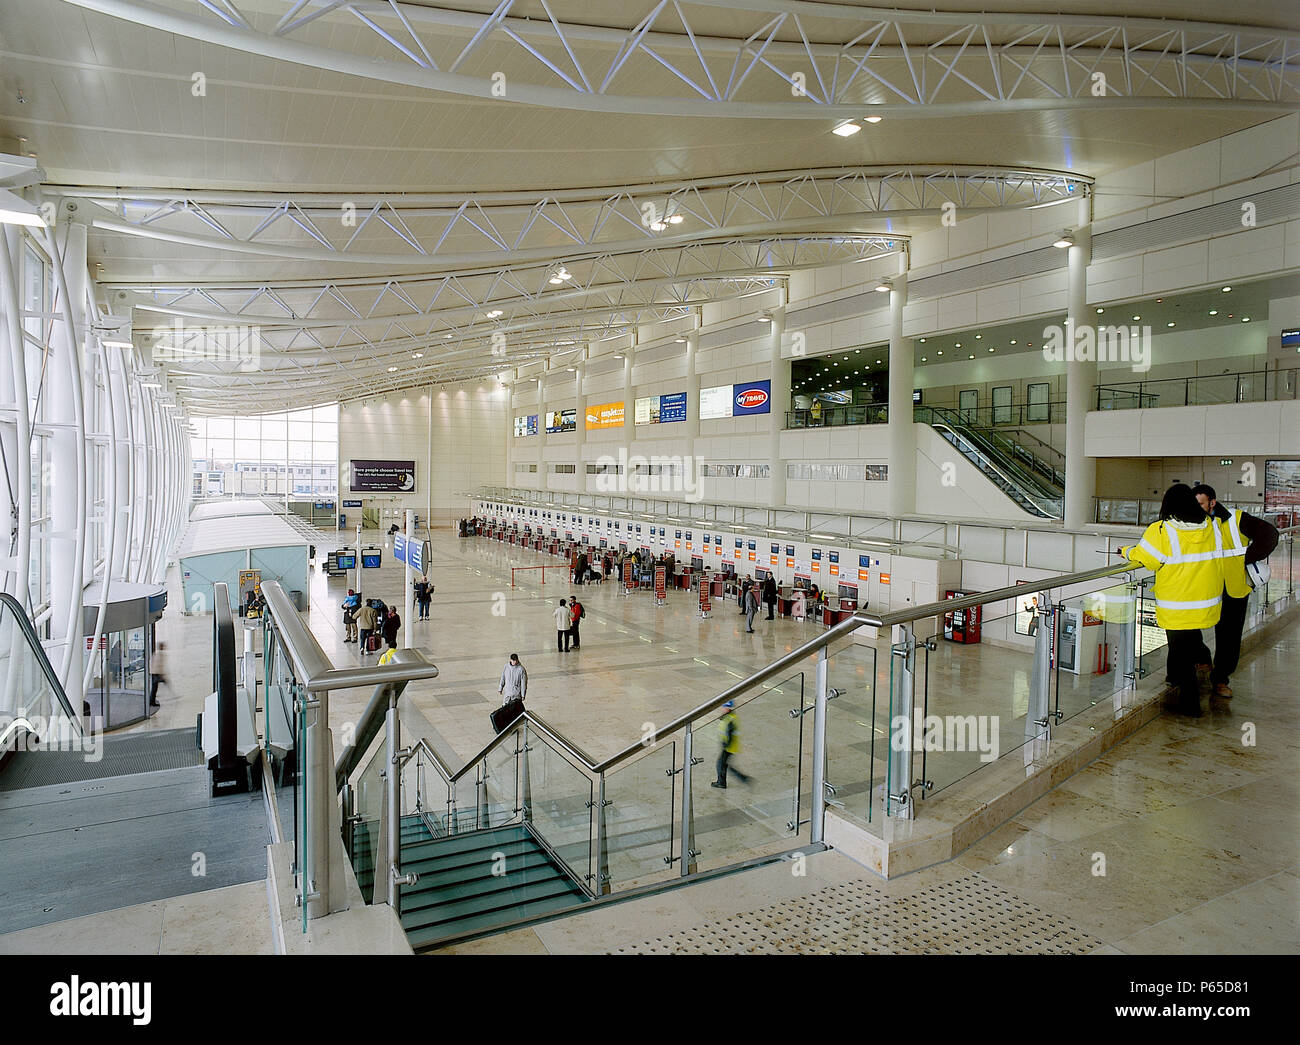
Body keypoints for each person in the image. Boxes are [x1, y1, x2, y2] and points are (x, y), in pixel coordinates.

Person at [1120, 484, 1224, 717]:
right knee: (1184, 646)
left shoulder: (1161, 531)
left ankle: (1190, 705)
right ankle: (1182, 675)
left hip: (1178, 603)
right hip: (1206, 601)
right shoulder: (1213, 527)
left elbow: (1148, 559)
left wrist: (1127, 551)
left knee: (1181, 650)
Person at [1192, 483, 1279, 699]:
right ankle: (1202, 658)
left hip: (1233, 588)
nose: (1196, 508)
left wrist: (1245, 560)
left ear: (1212, 502)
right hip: (1204, 585)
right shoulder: (1193, 522)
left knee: (1229, 636)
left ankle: (1221, 679)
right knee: (1190, 623)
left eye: (1200, 503)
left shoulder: (1236, 518)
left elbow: (1270, 535)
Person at [711, 701, 750, 789]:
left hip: (729, 747)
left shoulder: (731, 719)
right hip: (729, 746)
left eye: (724, 707)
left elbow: (730, 733)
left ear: (728, 708)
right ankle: (741, 778)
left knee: (720, 764)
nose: (722, 709)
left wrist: (726, 745)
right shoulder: (730, 716)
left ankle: (723, 783)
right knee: (724, 765)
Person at [149, 640, 166, 708]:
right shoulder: (159, 655)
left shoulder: (157, 654)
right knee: (154, 688)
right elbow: (158, 666)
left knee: (154, 688)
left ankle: (151, 701)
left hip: (155, 673)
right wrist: (161, 674)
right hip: (156, 673)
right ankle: (152, 702)